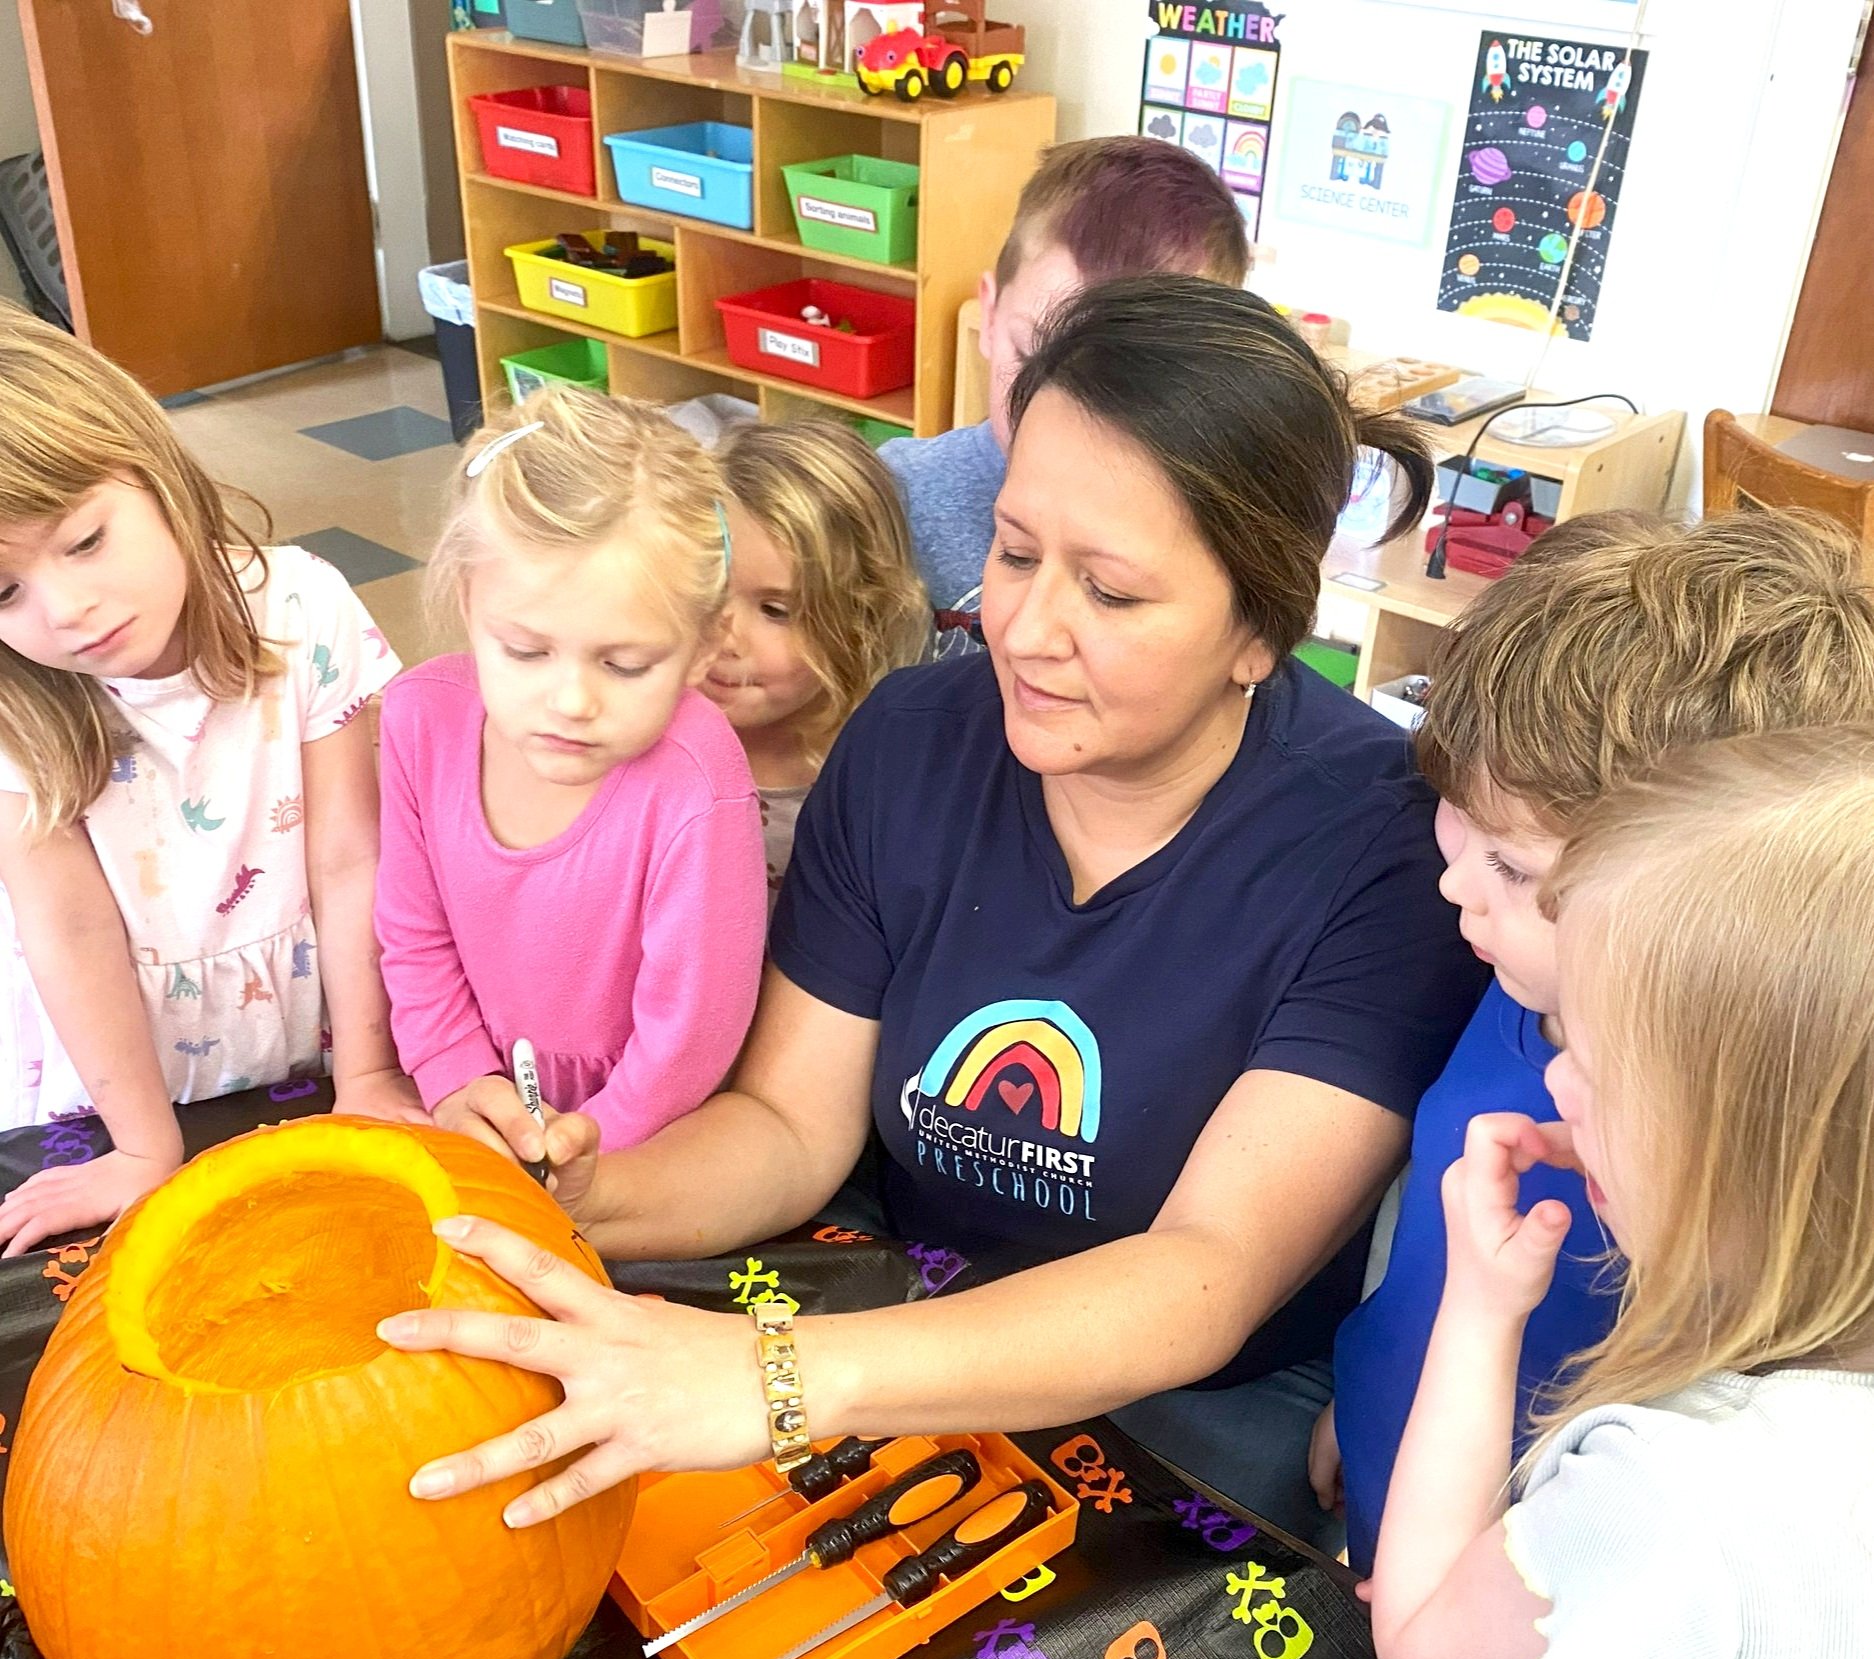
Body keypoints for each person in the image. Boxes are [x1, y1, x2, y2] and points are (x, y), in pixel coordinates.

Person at [376, 276, 1484, 1544]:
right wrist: (554, 1198)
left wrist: (773, 1375)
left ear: (1258, 633)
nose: (1023, 628)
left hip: (1188, 1394)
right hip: (893, 1302)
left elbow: (1203, 1273)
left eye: (1109, 593)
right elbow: (788, 1127)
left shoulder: (1378, 848)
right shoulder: (907, 740)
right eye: (1013, 553)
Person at [1318, 508, 1874, 1573]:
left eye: (1513, 867)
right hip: (1392, 1492)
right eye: (1454, 811)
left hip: (1529, 1595)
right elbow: (1429, 1230)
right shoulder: (1511, 972)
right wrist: (1367, 1398)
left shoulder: (1725, 1147)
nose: (1453, 882)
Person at [1371, 724, 1874, 1659]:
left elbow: (1420, 1638)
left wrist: (1478, 1305)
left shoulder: (1678, 1498)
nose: (1554, 1078)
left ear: (1752, 1157)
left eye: (1593, 1065)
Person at [0, 306, 418, 1254]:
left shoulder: (303, 604)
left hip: (311, 1023)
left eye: (85, 541)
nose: (69, 610)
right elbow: (69, 928)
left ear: (155, 473)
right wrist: (142, 1150)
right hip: (117, 1065)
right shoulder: (13, 701)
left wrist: (366, 1074)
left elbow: (351, 860)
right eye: (3, 590)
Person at [375, 388, 765, 1160]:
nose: (572, 702)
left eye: (625, 665)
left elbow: (689, 1038)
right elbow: (413, 934)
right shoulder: (419, 719)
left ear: (704, 647)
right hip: (476, 1103)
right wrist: (453, 1077)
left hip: (647, 1141)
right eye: (526, 652)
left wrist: (576, 1155)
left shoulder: (695, 777)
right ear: (469, 602)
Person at [879, 136, 1250, 622]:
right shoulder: (885, 499)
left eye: (1128, 381)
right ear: (989, 317)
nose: (1061, 413)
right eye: (1033, 357)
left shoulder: (1218, 542)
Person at [712, 419, 928, 910]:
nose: (724, 636)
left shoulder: (874, 777)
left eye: (776, 611)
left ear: (862, 618)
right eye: (707, 590)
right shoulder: (649, 730)